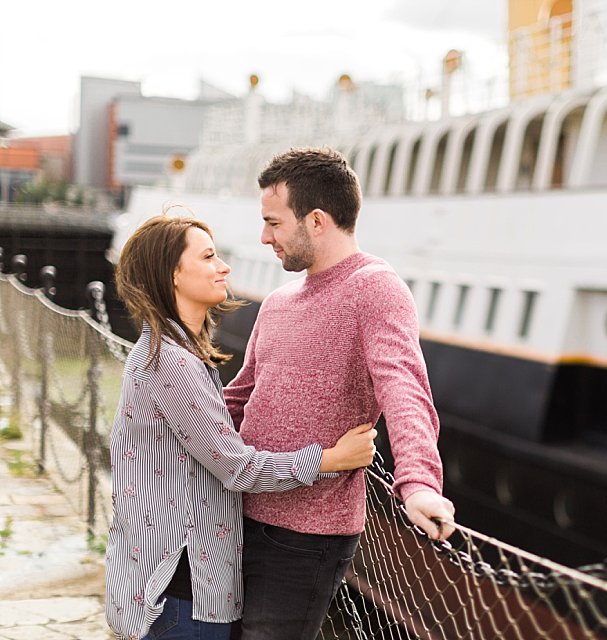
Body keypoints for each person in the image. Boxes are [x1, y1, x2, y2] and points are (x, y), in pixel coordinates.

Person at [105, 215, 377, 640]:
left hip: (174, 584)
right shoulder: (171, 363)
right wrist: (331, 459)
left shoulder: (172, 351)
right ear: (172, 274)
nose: (224, 267)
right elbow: (237, 469)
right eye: (208, 257)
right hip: (183, 596)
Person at [223, 146, 456, 639]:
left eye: (273, 223)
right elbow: (239, 398)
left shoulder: (375, 287)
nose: (264, 237)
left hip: (306, 535)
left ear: (316, 220)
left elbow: (405, 389)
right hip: (236, 512)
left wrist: (418, 483)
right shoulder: (277, 302)